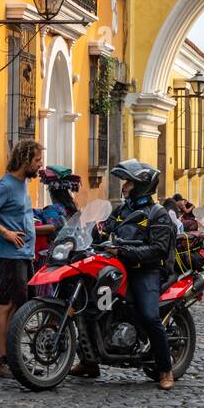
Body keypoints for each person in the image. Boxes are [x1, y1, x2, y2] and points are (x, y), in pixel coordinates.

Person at [72, 160, 178, 391]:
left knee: (149, 315)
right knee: (89, 304)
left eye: (129, 182)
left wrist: (124, 251)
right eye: (125, 182)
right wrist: (92, 232)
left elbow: (158, 250)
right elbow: (105, 230)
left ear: (142, 185)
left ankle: (165, 368)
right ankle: (89, 362)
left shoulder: (157, 214)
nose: (125, 186)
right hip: (117, 266)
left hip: (146, 270)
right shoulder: (122, 210)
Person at [0, 139, 44, 379]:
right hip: (9, 256)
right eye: (36, 160)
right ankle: (3, 360)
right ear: (25, 160)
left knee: (19, 305)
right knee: (7, 305)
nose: (40, 164)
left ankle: (13, 357)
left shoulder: (21, 185)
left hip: (23, 255)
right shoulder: (6, 185)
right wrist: (5, 232)